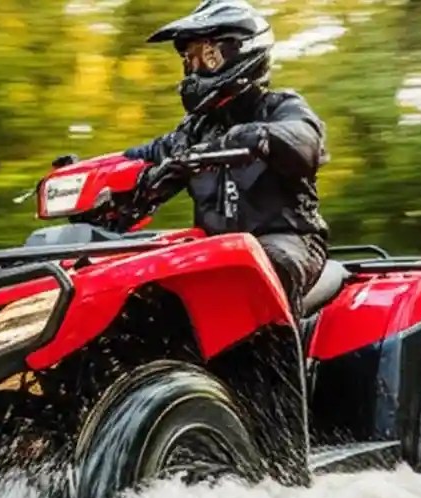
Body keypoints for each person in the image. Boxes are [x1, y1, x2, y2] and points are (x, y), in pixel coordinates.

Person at [123, 0, 330, 316]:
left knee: (252, 270)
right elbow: (143, 156)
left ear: (243, 51)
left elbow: (306, 140)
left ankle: (275, 365)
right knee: (149, 285)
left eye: (207, 56)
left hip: (291, 242)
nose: (194, 70)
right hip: (217, 250)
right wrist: (89, 175)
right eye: (189, 59)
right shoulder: (195, 130)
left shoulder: (280, 107)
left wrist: (257, 137)